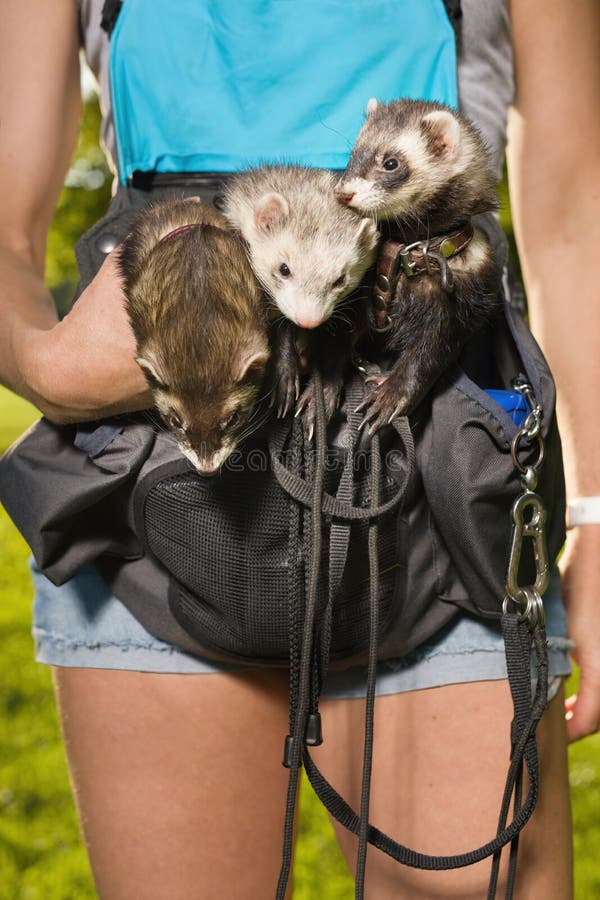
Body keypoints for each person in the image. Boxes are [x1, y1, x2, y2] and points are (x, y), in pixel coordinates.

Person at [1, 0, 598, 896]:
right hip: (152, 465)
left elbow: (573, 213)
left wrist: (594, 513)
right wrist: (47, 365)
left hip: (446, 481)